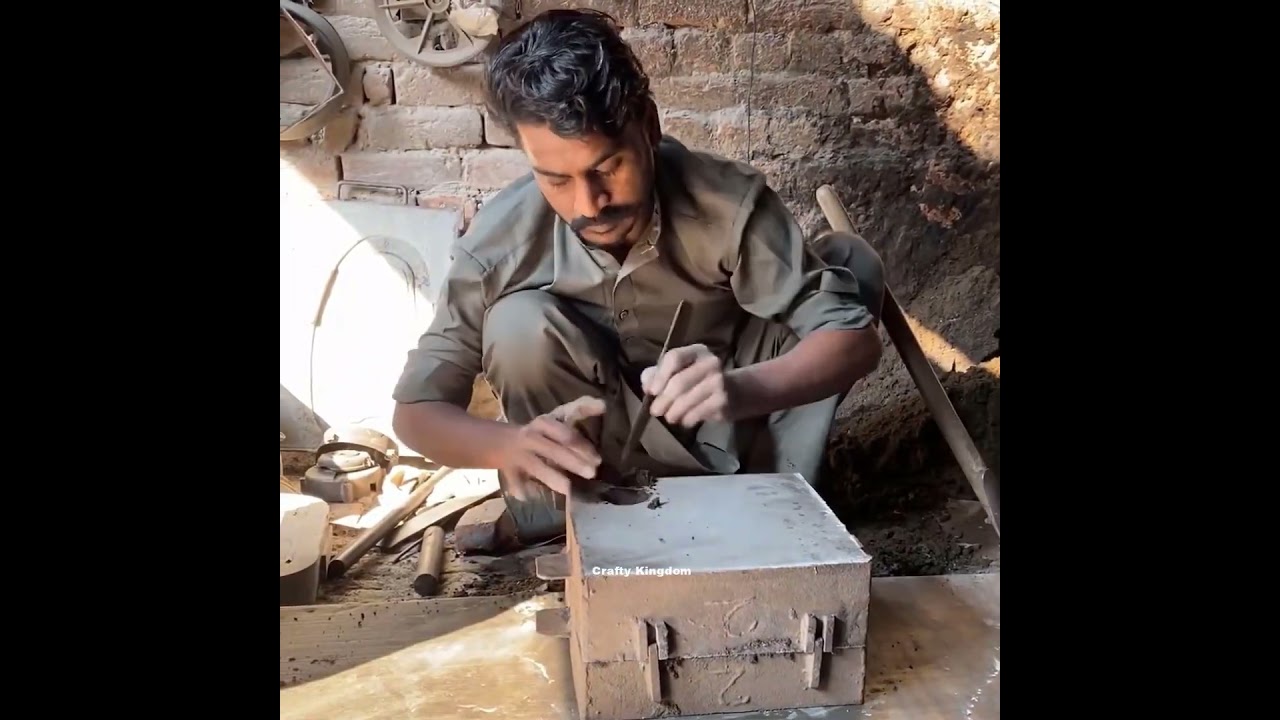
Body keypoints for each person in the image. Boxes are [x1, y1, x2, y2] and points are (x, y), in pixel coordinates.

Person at [392, 8, 886, 543]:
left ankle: (779, 506)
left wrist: (739, 391)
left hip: (724, 435)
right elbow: (416, 412)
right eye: (555, 179)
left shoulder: (727, 203)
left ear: (648, 126)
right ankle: (567, 521)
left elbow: (855, 342)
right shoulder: (498, 243)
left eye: (607, 169)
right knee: (515, 323)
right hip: (592, 468)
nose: (589, 204)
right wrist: (505, 446)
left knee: (848, 264)